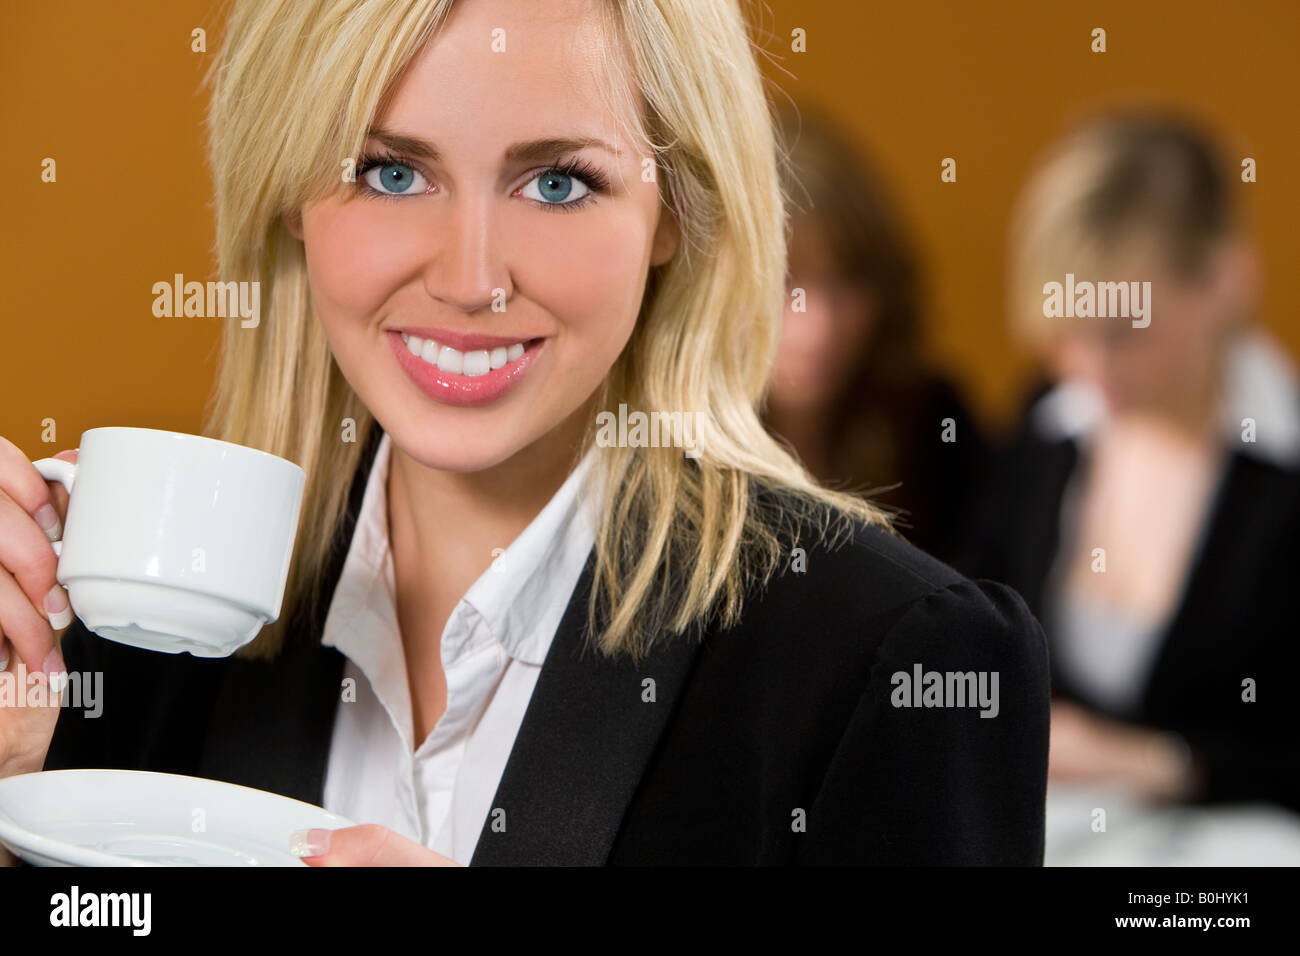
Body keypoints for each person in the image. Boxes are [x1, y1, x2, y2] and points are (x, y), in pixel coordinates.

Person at [0, 0, 1048, 866]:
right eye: (391, 172)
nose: (469, 278)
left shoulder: (888, 656)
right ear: (290, 198)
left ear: (674, 212)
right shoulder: (153, 634)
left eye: (557, 182)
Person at [960, 110, 1300, 813]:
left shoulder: (1283, 476)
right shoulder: (1048, 427)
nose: (1089, 368)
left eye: (1123, 331)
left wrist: (1157, 763)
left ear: (1226, 280)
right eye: (1065, 332)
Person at [764, 104, 984, 564]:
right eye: (785, 281)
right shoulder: (669, 446)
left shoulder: (936, 428)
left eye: (848, 281)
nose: (818, 325)